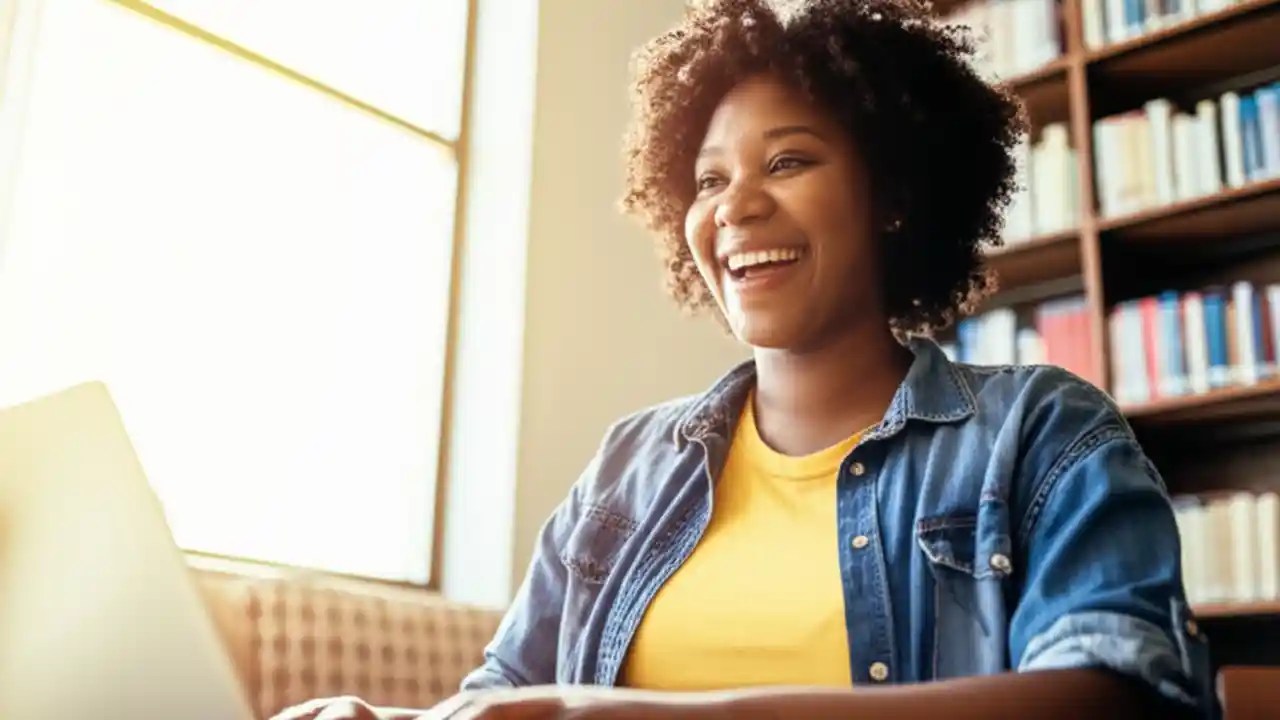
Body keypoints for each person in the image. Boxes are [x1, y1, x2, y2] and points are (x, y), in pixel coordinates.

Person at [276, 0, 1208, 717]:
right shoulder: (626, 474)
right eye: (709, 178)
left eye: (789, 162)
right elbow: (507, 690)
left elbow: (1118, 692)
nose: (735, 206)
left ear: (892, 194)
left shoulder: (1038, 432)